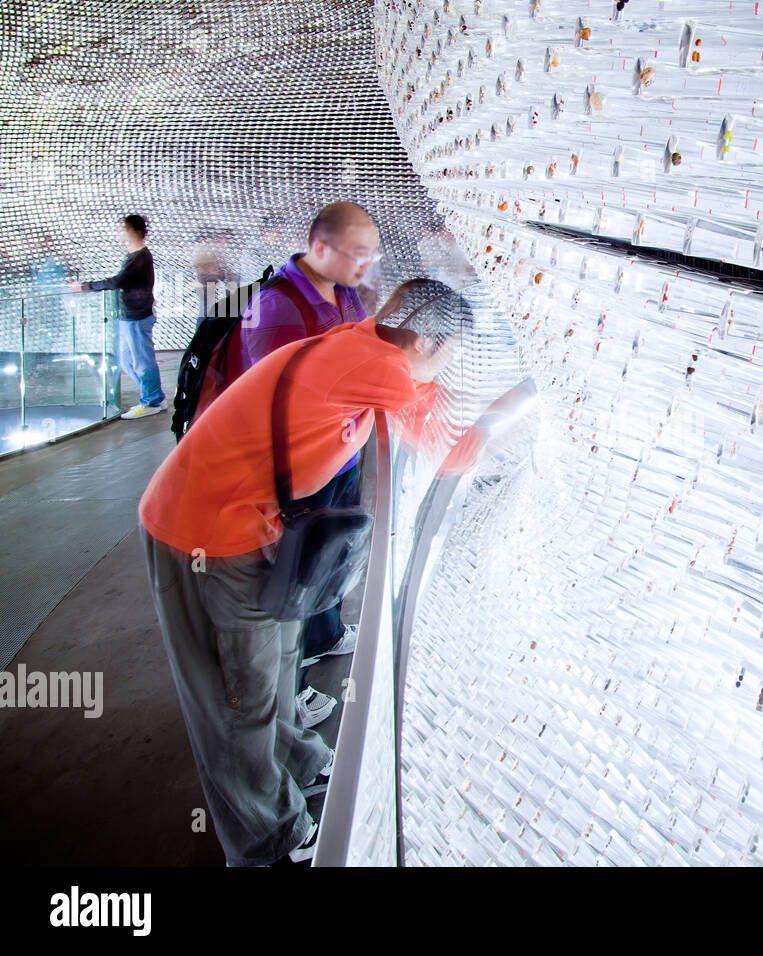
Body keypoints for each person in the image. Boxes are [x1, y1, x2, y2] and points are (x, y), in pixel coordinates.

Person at [137, 316, 491, 866]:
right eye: (452, 352)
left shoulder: (363, 342)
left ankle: (296, 762)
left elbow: (427, 396)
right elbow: (447, 439)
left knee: (276, 661)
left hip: (250, 530)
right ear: (425, 341)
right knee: (238, 696)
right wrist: (501, 425)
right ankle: (267, 835)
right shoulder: (378, 364)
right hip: (204, 533)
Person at [228, 202, 380, 731]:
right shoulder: (277, 306)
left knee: (329, 551)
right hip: (301, 465)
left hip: (339, 455)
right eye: (358, 253)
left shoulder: (345, 294)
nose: (367, 264)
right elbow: (275, 396)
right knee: (295, 567)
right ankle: (289, 691)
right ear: (320, 248)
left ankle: (325, 634)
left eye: (371, 253)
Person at [69, 214, 165, 418]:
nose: (119, 232)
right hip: (130, 316)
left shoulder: (140, 257)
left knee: (141, 360)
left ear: (135, 231)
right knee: (127, 360)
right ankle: (152, 396)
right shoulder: (134, 255)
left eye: (123, 228)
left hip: (137, 317)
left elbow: (118, 281)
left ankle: (152, 401)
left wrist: (86, 287)